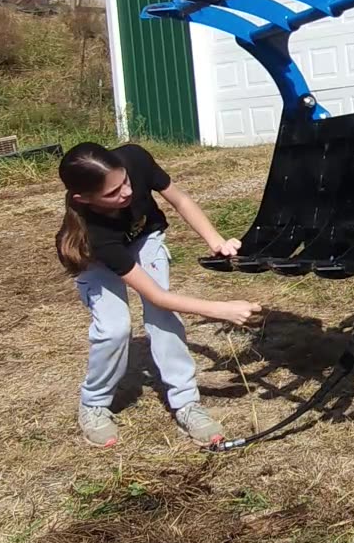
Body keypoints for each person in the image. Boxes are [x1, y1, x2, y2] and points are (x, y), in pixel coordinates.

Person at [55, 141, 262, 448]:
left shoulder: (136, 159)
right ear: (83, 199)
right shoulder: (95, 235)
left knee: (163, 319)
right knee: (114, 329)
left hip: (144, 238)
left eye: (124, 181)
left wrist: (215, 240)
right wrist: (222, 309)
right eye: (111, 194)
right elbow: (156, 295)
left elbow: (180, 200)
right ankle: (94, 404)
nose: (125, 192)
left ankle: (187, 404)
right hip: (97, 261)